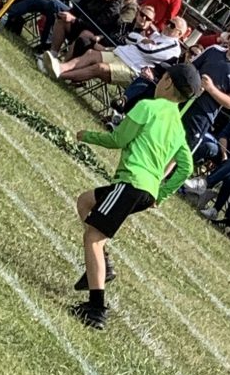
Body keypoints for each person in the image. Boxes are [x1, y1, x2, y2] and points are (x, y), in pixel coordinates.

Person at [70, 62, 201, 329]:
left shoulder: (147, 107)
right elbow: (186, 166)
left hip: (131, 183)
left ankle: (95, 309)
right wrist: (160, 194)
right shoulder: (177, 125)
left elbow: (118, 139)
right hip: (145, 190)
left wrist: (86, 135)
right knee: (86, 201)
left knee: (93, 238)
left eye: (162, 76)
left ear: (166, 82)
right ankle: (103, 265)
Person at [179, 21, 230, 155]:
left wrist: (211, 88)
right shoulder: (214, 50)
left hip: (202, 114)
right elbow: (189, 69)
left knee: (182, 151)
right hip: (183, 99)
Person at [44, 15, 185, 89]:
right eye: (168, 22)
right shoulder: (157, 36)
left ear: (179, 33)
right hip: (121, 53)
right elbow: (130, 37)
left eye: (172, 25)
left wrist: (142, 42)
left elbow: (148, 52)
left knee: (99, 68)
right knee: (91, 54)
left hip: (132, 69)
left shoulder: (173, 47)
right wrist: (142, 40)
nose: (167, 25)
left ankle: (59, 74)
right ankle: (60, 67)